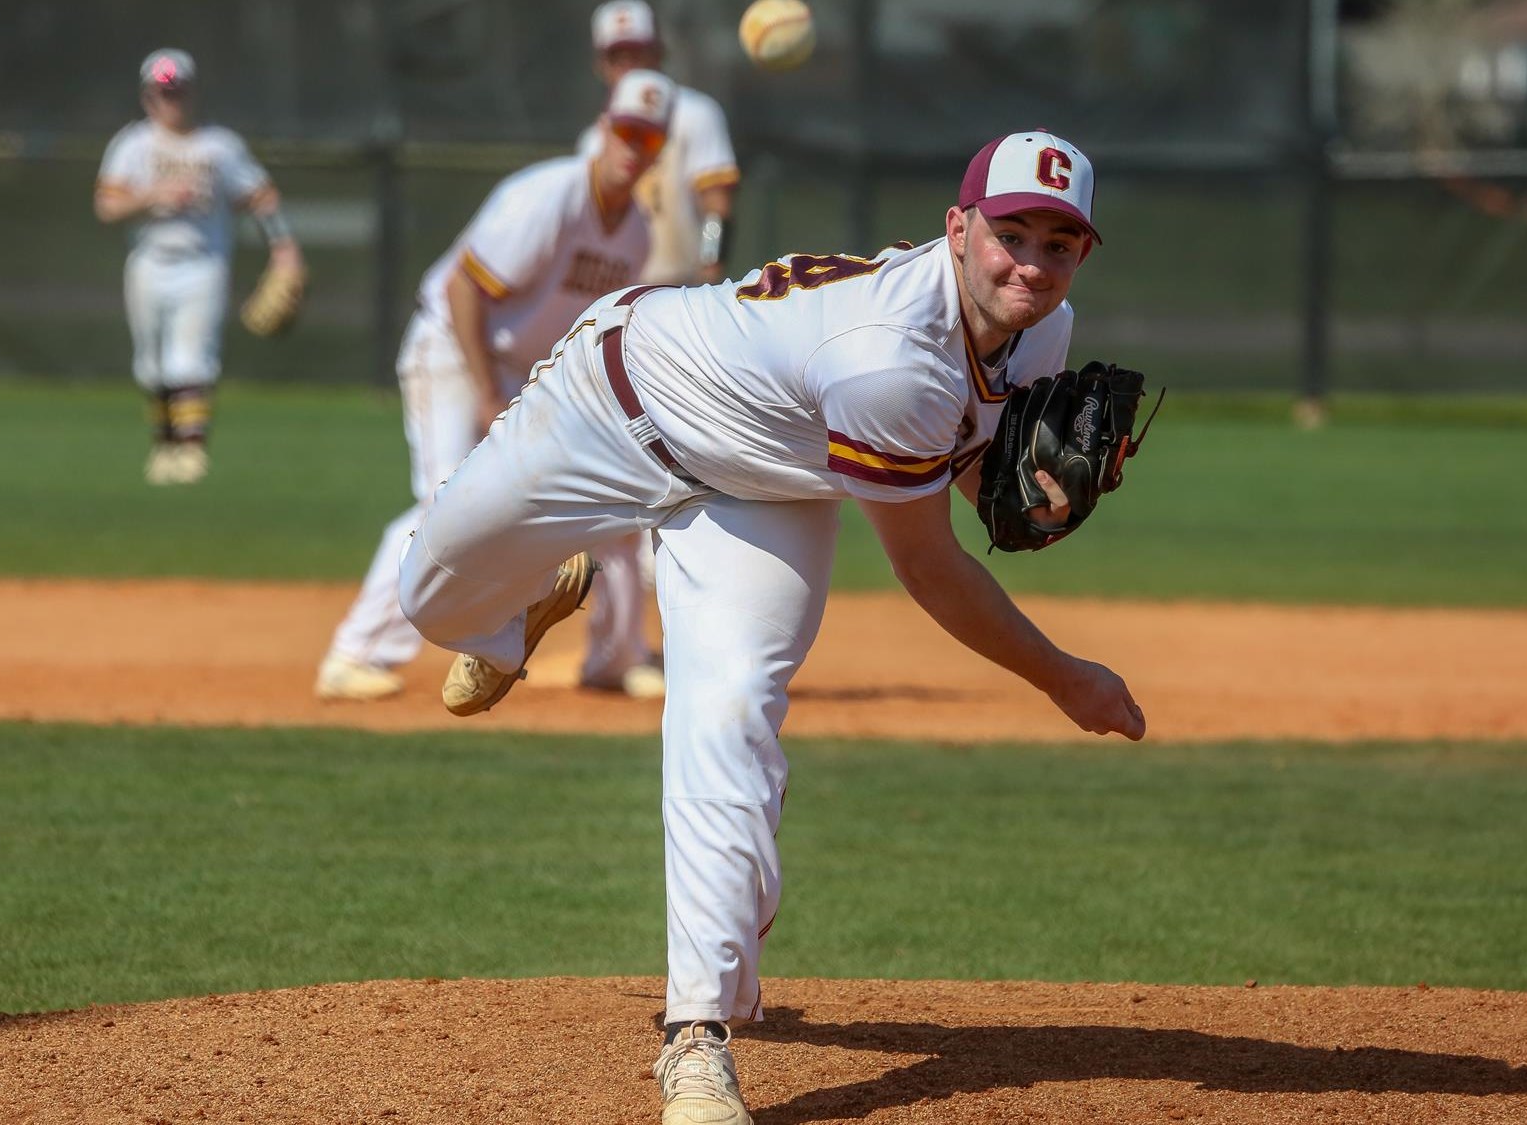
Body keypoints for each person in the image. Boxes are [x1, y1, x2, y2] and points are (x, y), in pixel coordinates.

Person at [396, 130, 1146, 1125]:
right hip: (613, 404)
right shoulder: (890, 363)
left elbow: (968, 472)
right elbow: (929, 570)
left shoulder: (1038, 332)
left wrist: (1028, 497)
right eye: (1012, 233)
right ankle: (528, 601)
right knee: (429, 603)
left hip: (762, 489)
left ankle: (695, 1041)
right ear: (957, 228)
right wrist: (1064, 677)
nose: (1032, 262)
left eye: (1059, 242)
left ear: (1082, 253)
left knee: (726, 714)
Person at [311, 70, 674, 703]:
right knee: (445, 503)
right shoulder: (548, 198)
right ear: (602, 128)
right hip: (452, 351)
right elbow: (463, 289)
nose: (630, 148)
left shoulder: (636, 232)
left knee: (607, 498)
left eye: (646, 138)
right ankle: (356, 653)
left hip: (530, 376)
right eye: (624, 131)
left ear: (659, 150)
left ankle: (616, 658)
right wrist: (485, 391)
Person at [569, 0, 745, 698]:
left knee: (691, 473)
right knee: (628, 478)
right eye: (617, 54)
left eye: (638, 48)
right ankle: (623, 644)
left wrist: (710, 274)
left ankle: (679, 639)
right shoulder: (595, 136)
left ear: (658, 50)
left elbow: (719, 197)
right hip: (617, 316)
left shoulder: (694, 113)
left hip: (679, 303)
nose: (629, 61)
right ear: (600, 63)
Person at [94, 48, 302, 486]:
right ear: (147, 96)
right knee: (151, 363)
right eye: (162, 92)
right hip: (148, 262)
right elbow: (106, 205)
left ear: (192, 92)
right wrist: (153, 196)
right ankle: (164, 445)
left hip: (203, 263)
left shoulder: (218, 146)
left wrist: (284, 248)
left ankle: (191, 451)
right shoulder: (133, 144)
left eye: (178, 91)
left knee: (191, 358)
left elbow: (262, 196)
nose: (171, 101)